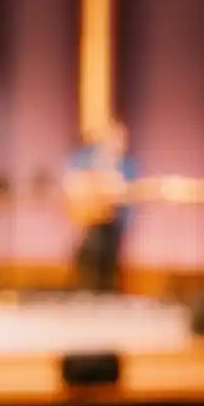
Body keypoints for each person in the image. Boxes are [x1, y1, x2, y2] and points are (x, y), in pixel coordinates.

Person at [63, 121, 136, 293]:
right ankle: (87, 289)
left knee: (109, 258)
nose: (120, 143)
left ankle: (106, 291)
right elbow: (72, 181)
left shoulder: (127, 163)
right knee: (91, 253)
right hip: (91, 220)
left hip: (115, 220)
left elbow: (128, 190)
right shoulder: (87, 159)